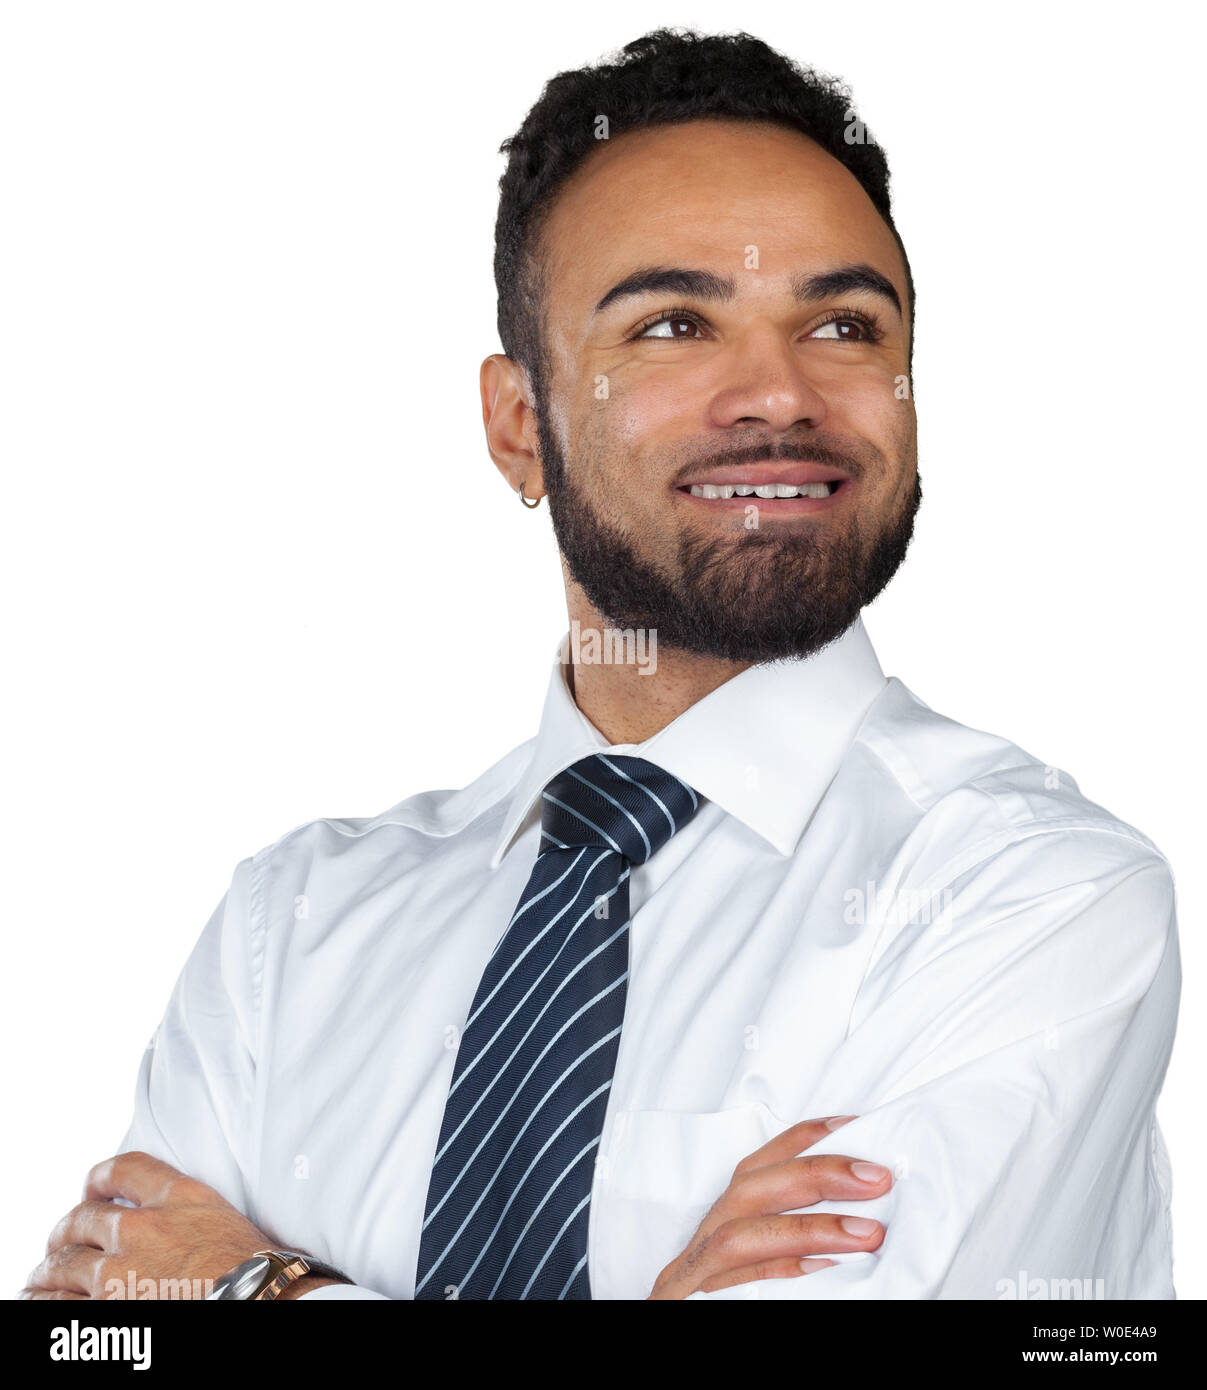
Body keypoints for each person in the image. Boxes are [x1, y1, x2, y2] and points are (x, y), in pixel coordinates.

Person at [21, 28, 1179, 1303]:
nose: (778, 395)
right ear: (520, 427)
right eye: (675, 323)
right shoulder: (288, 930)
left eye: (843, 323)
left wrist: (260, 1289)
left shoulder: (1030, 897)